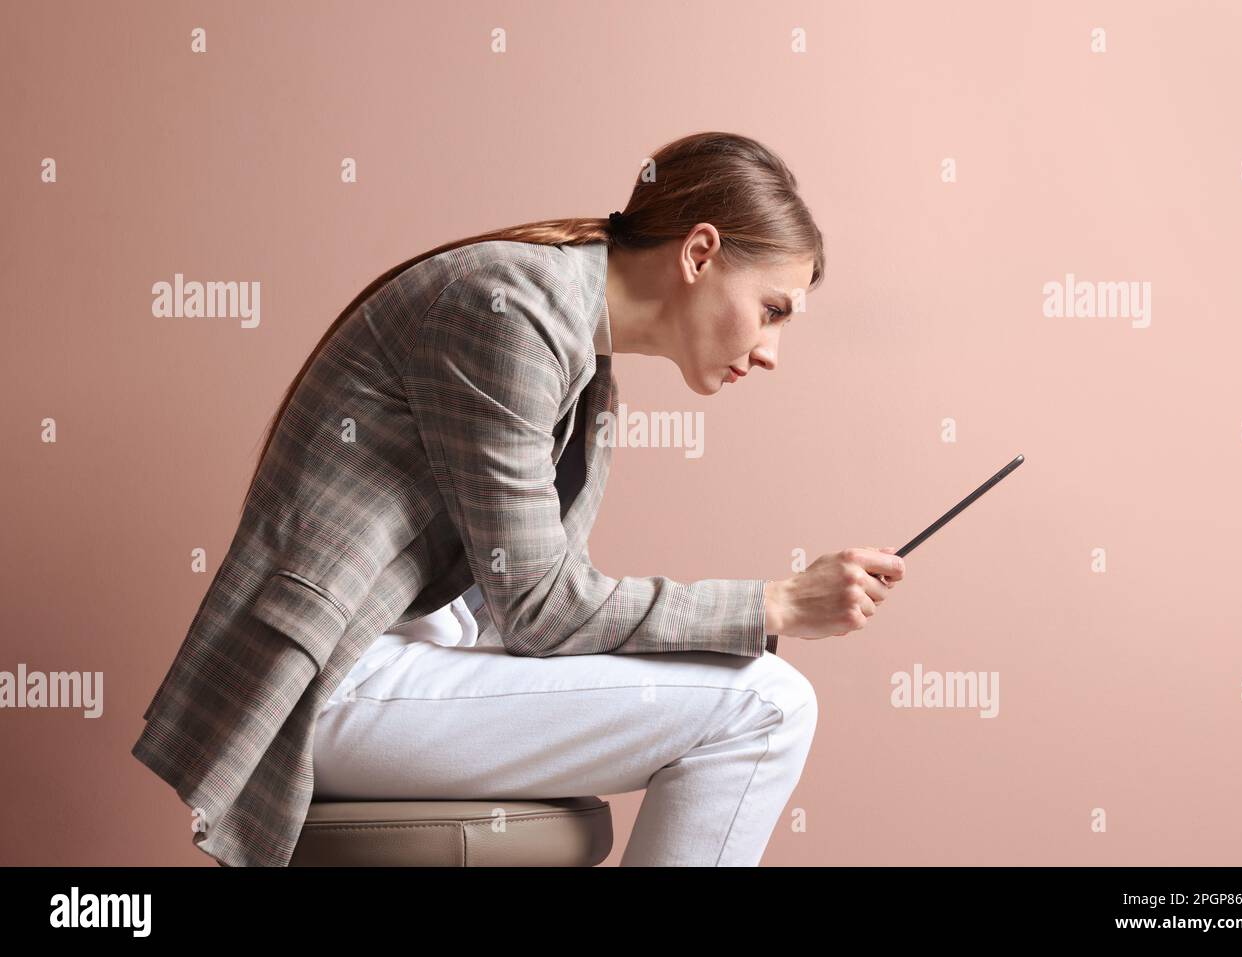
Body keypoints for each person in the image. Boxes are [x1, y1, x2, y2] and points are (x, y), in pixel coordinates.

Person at [131, 130, 905, 867]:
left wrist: (754, 616)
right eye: (773, 310)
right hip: (334, 680)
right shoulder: (511, 309)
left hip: (420, 654)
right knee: (766, 705)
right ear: (700, 252)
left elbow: (532, 606)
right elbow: (543, 610)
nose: (771, 353)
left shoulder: (578, 349)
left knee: (758, 694)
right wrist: (772, 604)